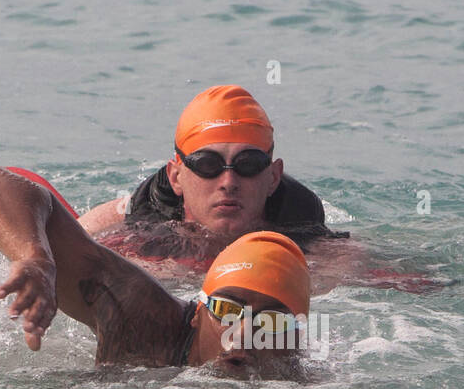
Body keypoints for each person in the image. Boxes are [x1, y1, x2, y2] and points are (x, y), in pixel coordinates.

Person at [0, 165, 311, 378]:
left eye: (272, 322)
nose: (243, 334)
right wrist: (35, 256)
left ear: (296, 339)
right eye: (227, 309)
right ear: (197, 314)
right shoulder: (142, 316)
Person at [77, 84, 347, 263]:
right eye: (208, 165)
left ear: (273, 178)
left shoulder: (308, 236)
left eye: (248, 165)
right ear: (176, 177)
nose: (228, 182)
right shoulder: (137, 219)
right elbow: (61, 236)